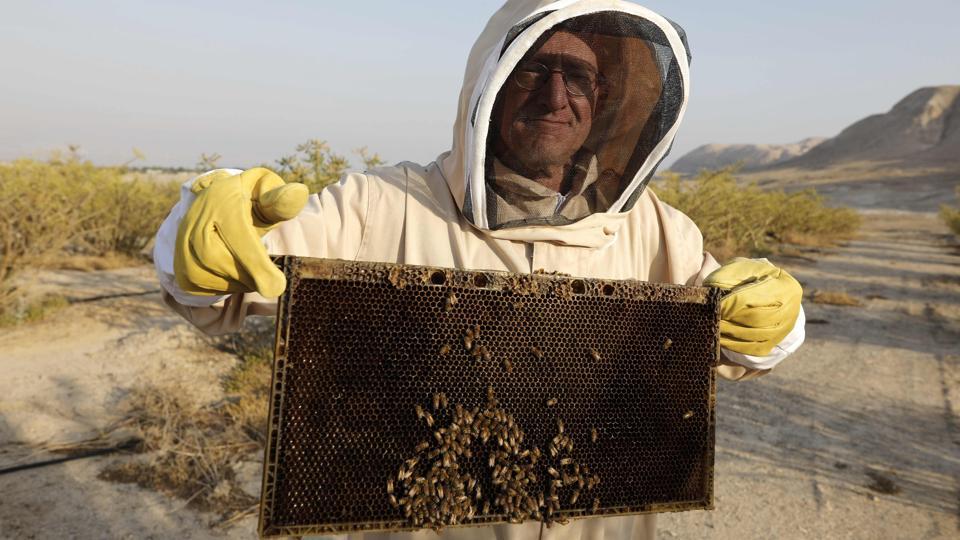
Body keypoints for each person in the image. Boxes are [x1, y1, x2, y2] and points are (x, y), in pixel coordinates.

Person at [154, 1, 804, 538]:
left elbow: (743, 345)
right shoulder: (380, 206)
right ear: (489, 85)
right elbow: (222, 291)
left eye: (577, 77)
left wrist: (779, 323)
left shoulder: (658, 231)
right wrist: (196, 234)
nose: (556, 95)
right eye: (534, 70)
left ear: (601, 101)